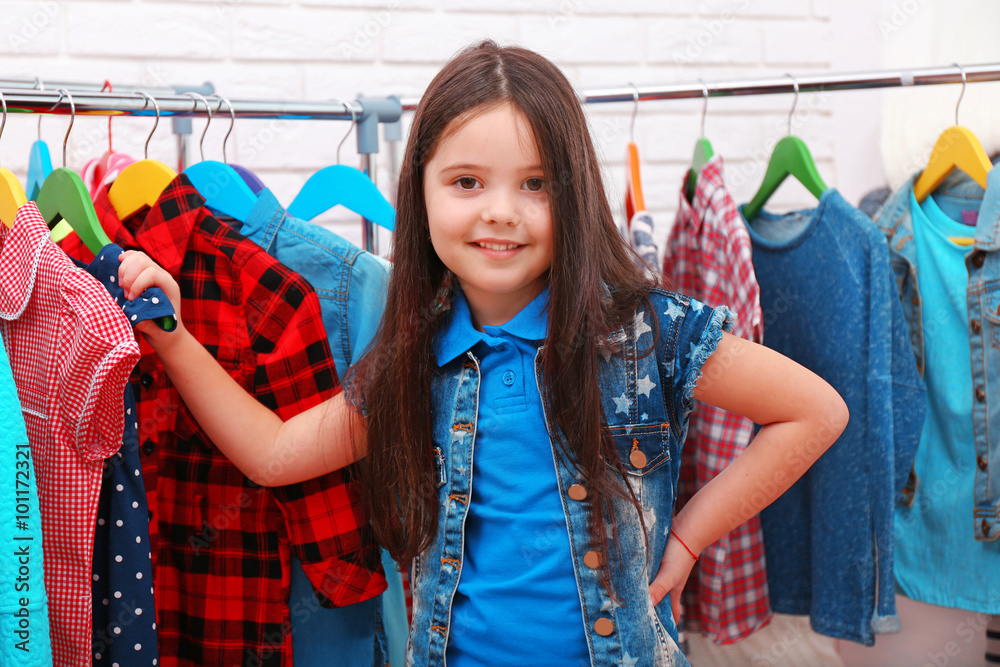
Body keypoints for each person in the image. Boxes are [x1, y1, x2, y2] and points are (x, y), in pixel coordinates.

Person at [117, 40, 848, 667]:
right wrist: (172, 336)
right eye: (468, 182)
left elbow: (815, 411)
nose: (500, 209)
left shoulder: (645, 331)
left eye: (535, 185)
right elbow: (275, 453)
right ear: (422, 191)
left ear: (577, 197)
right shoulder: (413, 358)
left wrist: (687, 537)